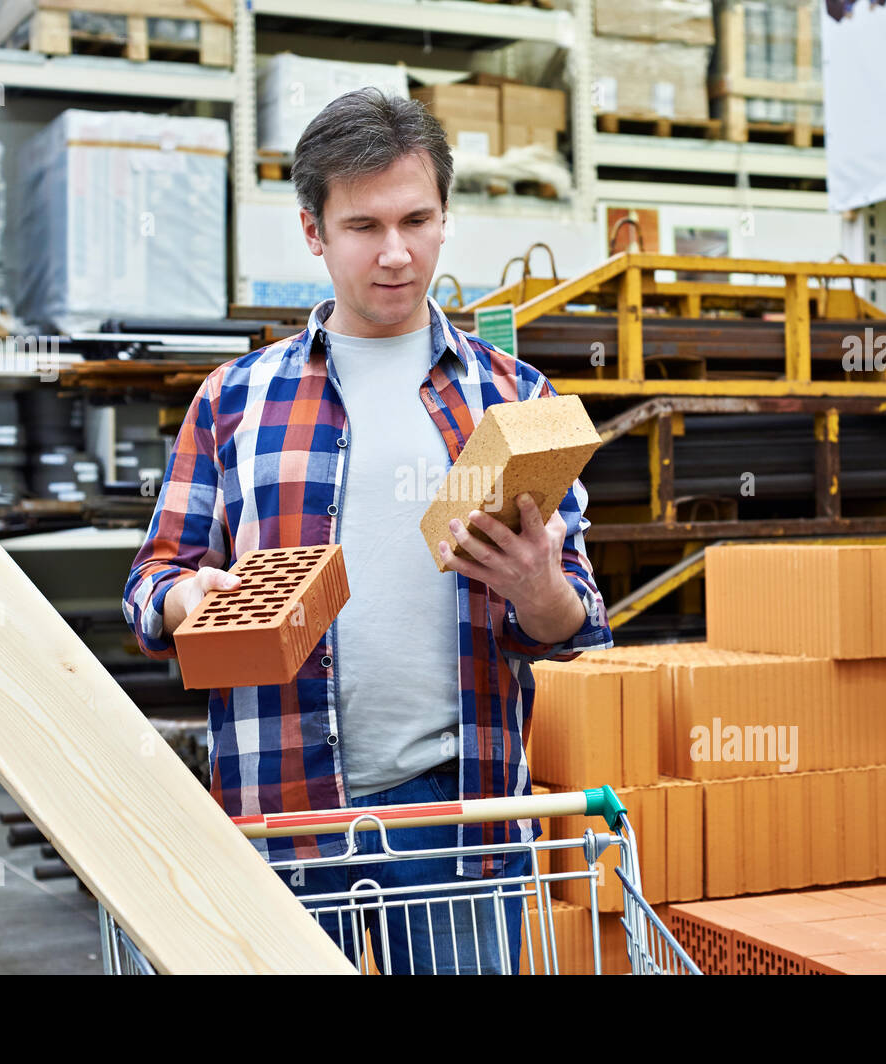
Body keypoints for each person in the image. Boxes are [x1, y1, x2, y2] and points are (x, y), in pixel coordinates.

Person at [122, 87, 613, 974]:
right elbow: (152, 582)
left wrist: (540, 593)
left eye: (418, 220)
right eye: (363, 227)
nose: (396, 254)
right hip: (285, 816)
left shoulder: (516, 400)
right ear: (313, 230)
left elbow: (575, 625)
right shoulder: (235, 401)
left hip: (456, 823)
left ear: (444, 216)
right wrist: (190, 596)